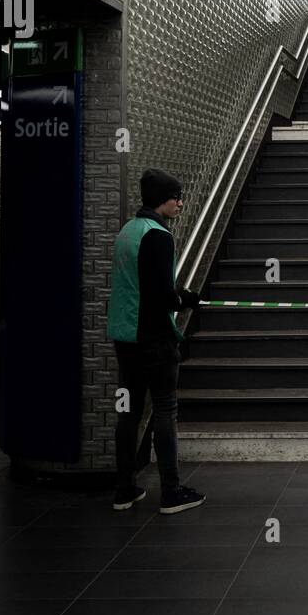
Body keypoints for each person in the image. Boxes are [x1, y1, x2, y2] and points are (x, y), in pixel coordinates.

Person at [107, 167, 206, 514]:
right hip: (153, 338)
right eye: (176, 196)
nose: (180, 202)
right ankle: (171, 491)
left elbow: (140, 284)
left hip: (125, 336)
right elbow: (162, 294)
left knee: (129, 413)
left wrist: (175, 295)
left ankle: (124, 490)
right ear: (162, 200)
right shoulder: (159, 236)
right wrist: (186, 298)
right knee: (165, 409)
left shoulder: (128, 232)